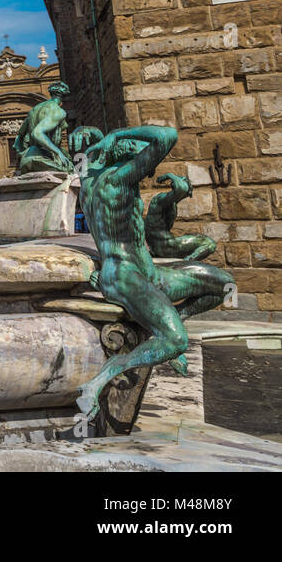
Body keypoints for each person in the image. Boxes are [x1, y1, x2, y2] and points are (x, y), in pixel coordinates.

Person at [72, 126, 233, 420]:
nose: (149, 168)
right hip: (123, 274)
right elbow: (167, 137)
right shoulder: (117, 180)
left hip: (148, 271)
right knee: (177, 342)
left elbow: (86, 155)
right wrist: (117, 135)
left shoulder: (88, 180)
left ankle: (167, 324)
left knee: (224, 285)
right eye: (143, 159)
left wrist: (95, 140)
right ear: (127, 156)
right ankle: (106, 374)